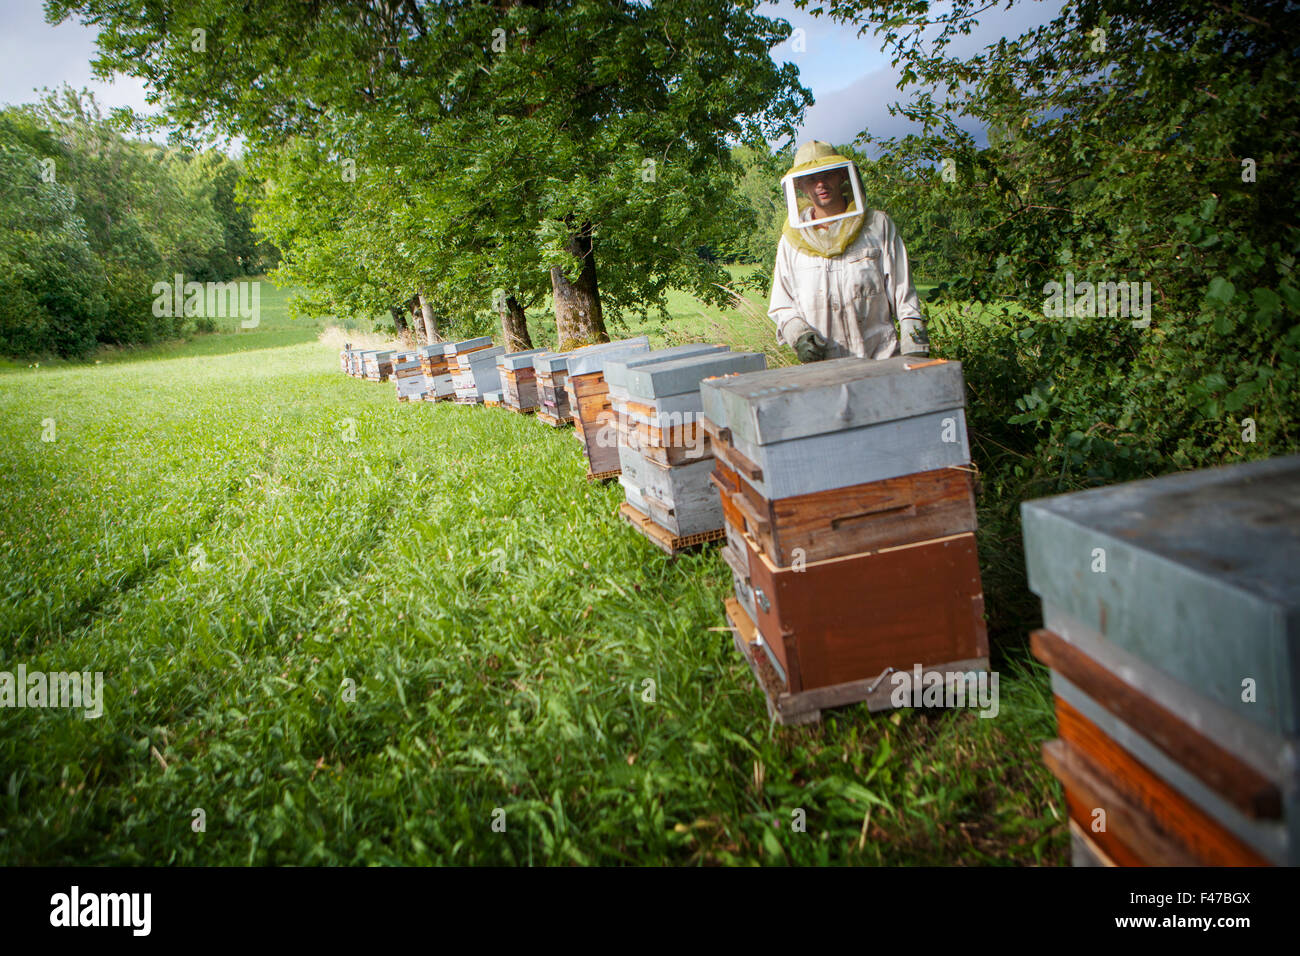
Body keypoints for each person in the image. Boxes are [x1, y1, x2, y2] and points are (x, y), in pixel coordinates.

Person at [768, 141, 929, 363]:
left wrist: (915, 346)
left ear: (842, 176)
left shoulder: (877, 225)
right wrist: (799, 335)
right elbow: (782, 305)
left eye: (827, 174)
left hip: (880, 362)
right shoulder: (791, 241)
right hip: (824, 370)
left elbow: (904, 294)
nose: (820, 184)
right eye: (811, 178)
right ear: (800, 187)